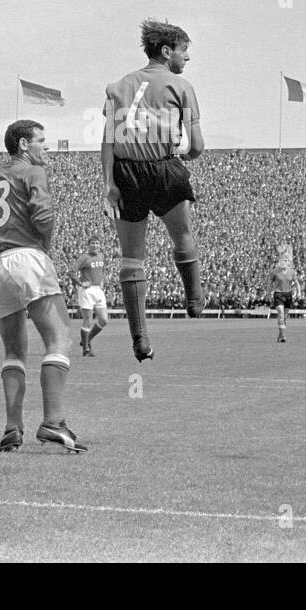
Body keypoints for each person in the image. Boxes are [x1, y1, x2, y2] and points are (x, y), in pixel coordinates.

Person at [0, 119, 85, 453]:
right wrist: (43, 244)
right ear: (24, 145)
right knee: (59, 339)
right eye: (42, 140)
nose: (47, 146)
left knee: (14, 352)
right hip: (27, 258)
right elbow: (43, 215)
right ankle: (53, 423)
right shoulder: (33, 173)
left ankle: (13, 428)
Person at [102, 19, 205, 363]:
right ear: (167, 51)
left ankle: (141, 339)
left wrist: (109, 183)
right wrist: (184, 153)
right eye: (184, 50)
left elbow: (108, 139)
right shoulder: (181, 86)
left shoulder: (118, 86)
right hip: (164, 168)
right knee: (183, 236)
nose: (187, 58)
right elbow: (197, 146)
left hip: (126, 172)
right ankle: (194, 299)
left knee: (132, 258)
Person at [68, 235, 108, 357]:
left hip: (98, 290)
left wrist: (102, 281)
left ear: (100, 245)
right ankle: (86, 349)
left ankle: (86, 340)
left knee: (104, 320)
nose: (95, 245)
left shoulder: (101, 256)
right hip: (87, 291)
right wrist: (80, 283)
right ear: (88, 245)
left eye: (97, 243)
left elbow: (104, 270)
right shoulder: (84, 258)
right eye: (93, 243)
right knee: (88, 321)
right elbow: (71, 271)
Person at [268, 250, 300, 343]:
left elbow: (297, 283)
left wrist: (299, 292)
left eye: (286, 260)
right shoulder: (274, 272)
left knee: (284, 317)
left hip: (288, 295)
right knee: (281, 314)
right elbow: (270, 284)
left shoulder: (292, 272)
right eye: (282, 260)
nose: (284, 261)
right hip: (278, 294)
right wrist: (269, 294)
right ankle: (283, 337)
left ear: (288, 262)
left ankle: (280, 335)